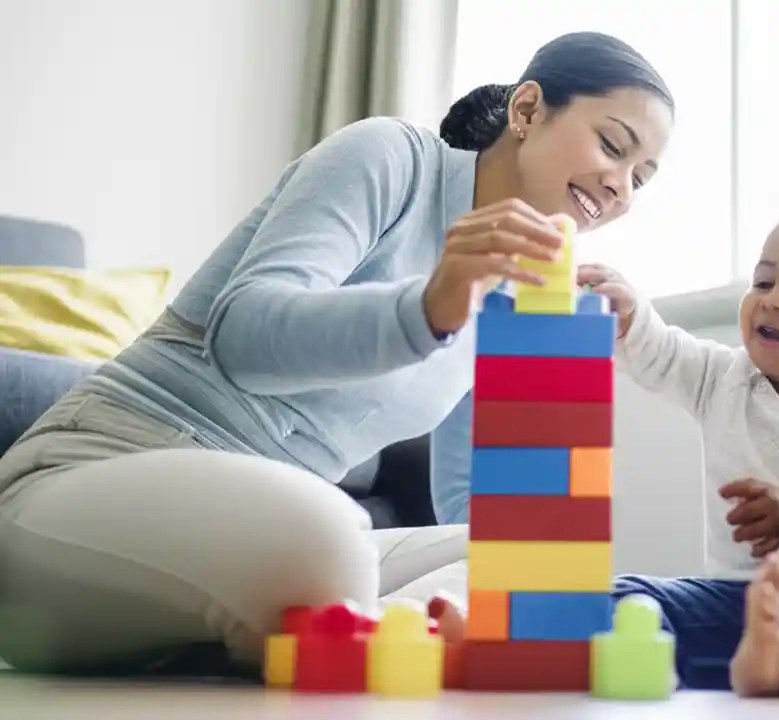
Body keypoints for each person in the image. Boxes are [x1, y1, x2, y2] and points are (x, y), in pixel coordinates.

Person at [0, 31, 674, 675]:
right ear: (527, 109)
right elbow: (242, 335)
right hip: (88, 486)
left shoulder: (513, 295)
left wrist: (560, 403)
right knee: (326, 543)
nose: (620, 185)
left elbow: (470, 503)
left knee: (541, 556)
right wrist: (429, 304)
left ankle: (353, 647)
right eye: (614, 146)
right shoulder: (390, 159)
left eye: (641, 178)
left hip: (256, 542)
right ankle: (344, 636)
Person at [433, 193, 779, 697]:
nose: (774, 298)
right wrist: (631, 318)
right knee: (626, 599)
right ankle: (508, 644)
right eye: (763, 280)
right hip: (729, 602)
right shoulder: (725, 378)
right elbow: (665, 353)